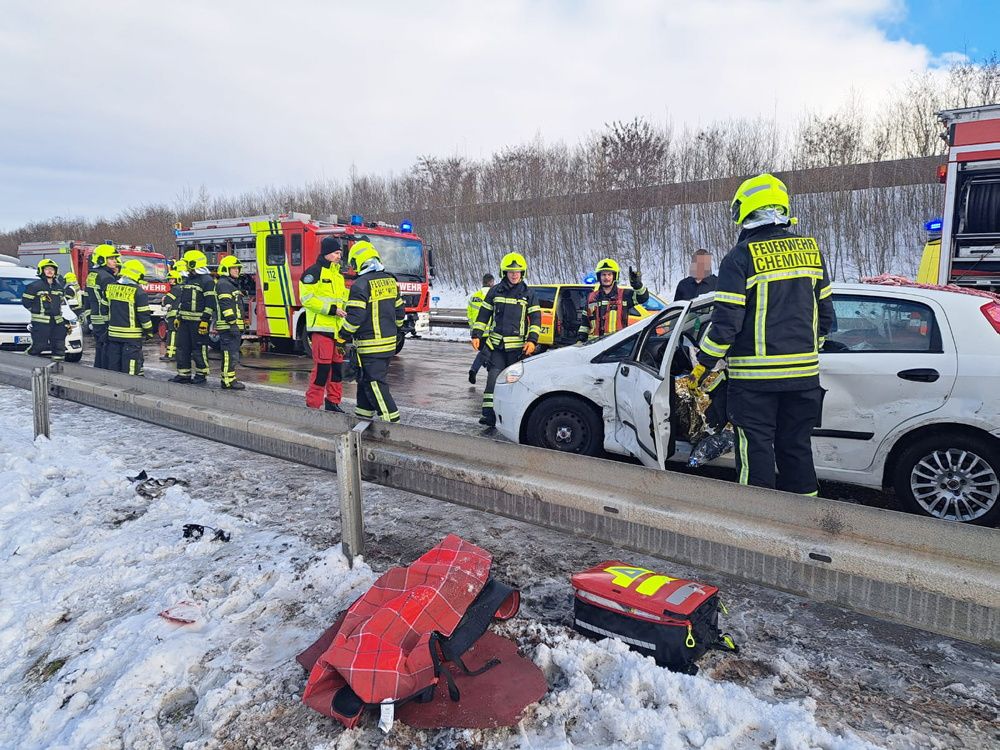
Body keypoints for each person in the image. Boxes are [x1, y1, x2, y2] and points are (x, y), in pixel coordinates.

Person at [691, 173, 834, 495]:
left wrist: (704, 363)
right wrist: (806, 352)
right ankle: (802, 521)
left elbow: (726, 324)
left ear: (745, 210)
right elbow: (826, 317)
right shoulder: (811, 251)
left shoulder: (740, 257)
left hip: (755, 383)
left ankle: (755, 526)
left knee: (755, 452)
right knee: (796, 449)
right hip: (804, 380)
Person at [471, 252, 541, 427]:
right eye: (511, 271)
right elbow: (483, 315)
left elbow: (536, 320)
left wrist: (532, 340)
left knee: (515, 383)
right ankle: (488, 415)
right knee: (493, 379)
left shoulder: (528, 294)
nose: (514, 274)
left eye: (517, 271)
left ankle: (513, 418)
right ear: (504, 272)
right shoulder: (495, 291)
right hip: (497, 345)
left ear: (522, 272)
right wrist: (476, 335)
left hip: (518, 349)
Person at [339, 240, 404, 422]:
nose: (353, 268)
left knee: (375, 382)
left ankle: (392, 422)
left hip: (370, 345)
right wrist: (397, 331)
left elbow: (355, 318)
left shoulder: (360, 285)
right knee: (364, 381)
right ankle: (363, 417)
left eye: (353, 264)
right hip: (388, 343)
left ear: (359, 261)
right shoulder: (390, 280)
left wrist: (342, 336)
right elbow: (400, 312)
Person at [300, 236, 348, 411]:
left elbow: (343, 299)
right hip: (321, 328)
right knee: (322, 370)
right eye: (336, 253)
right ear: (327, 253)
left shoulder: (338, 276)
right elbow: (307, 299)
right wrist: (332, 309)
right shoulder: (313, 272)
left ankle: (333, 402)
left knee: (337, 369)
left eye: (339, 253)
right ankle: (313, 404)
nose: (338, 256)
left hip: (337, 330)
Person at [577, 258, 648, 342]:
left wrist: (637, 285)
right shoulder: (591, 297)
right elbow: (585, 323)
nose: (606, 278)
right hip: (595, 345)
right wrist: (580, 341)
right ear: (599, 276)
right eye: (603, 275)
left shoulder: (625, 295)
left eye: (609, 274)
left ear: (614, 276)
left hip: (616, 346)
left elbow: (643, 297)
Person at [170, 249, 214, 384]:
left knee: (198, 349)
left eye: (188, 263)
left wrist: (205, 320)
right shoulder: (188, 279)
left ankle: (201, 375)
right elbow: (183, 300)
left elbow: (210, 303)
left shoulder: (207, 281)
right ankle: (184, 374)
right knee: (182, 348)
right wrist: (178, 316)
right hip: (184, 322)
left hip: (198, 323)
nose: (186, 266)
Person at [105, 259, 154, 375]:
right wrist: (149, 332)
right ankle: (129, 389)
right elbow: (144, 316)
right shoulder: (139, 292)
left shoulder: (110, 287)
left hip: (113, 335)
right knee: (130, 368)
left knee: (114, 366)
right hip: (131, 336)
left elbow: (105, 309)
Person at [22, 259, 73, 361]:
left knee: (59, 347)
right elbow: (26, 302)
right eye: (47, 269)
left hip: (57, 322)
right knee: (39, 346)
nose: (50, 271)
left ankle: (57, 368)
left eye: (52, 269)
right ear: (42, 271)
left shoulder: (58, 287)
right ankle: (25, 361)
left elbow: (61, 302)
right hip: (41, 323)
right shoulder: (34, 286)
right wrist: (38, 311)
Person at [214, 255, 247, 390]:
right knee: (229, 354)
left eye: (237, 268)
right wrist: (233, 324)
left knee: (232, 354)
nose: (237, 271)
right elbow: (226, 307)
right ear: (226, 269)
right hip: (228, 327)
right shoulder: (224, 285)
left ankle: (230, 378)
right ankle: (228, 380)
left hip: (232, 326)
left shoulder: (229, 285)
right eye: (234, 268)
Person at [87, 244, 120, 369]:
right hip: (105, 317)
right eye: (111, 259)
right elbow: (111, 299)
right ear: (101, 260)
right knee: (107, 348)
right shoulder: (106, 277)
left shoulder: (93, 274)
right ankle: (104, 376)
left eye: (115, 259)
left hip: (95, 316)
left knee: (100, 346)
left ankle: (97, 373)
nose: (115, 262)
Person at [466, 272, 494, 384]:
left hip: (477, 333)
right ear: (491, 282)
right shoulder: (493, 295)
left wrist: (473, 329)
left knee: (484, 353)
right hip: (490, 332)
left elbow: (469, 314)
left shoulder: (474, 296)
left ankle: (474, 370)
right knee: (490, 356)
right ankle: (491, 379)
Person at [160, 260, 187, 362]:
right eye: (169, 279)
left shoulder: (175, 289)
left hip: (174, 315)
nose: (170, 281)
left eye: (172, 279)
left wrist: (164, 299)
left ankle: (170, 354)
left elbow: (167, 300)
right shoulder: (181, 288)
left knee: (172, 333)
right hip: (179, 314)